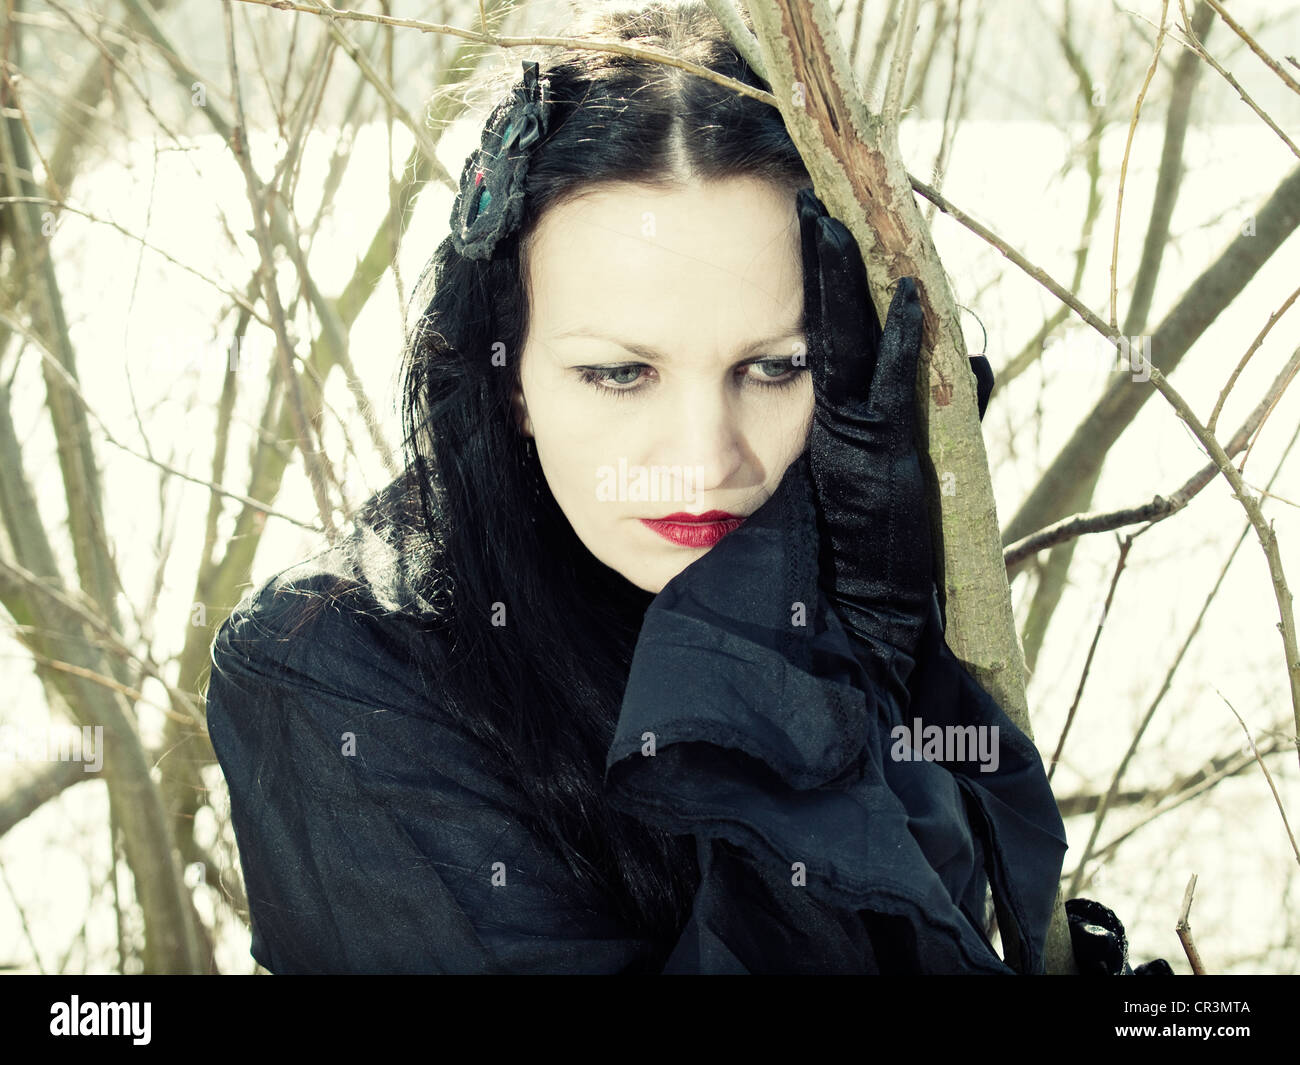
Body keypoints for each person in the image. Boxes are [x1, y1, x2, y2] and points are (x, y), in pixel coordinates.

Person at [204, 1, 1159, 975]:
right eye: (620, 374)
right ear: (509, 379)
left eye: (776, 368)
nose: (705, 464)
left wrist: (867, 650)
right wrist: (818, 681)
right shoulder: (336, 677)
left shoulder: (858, 586)